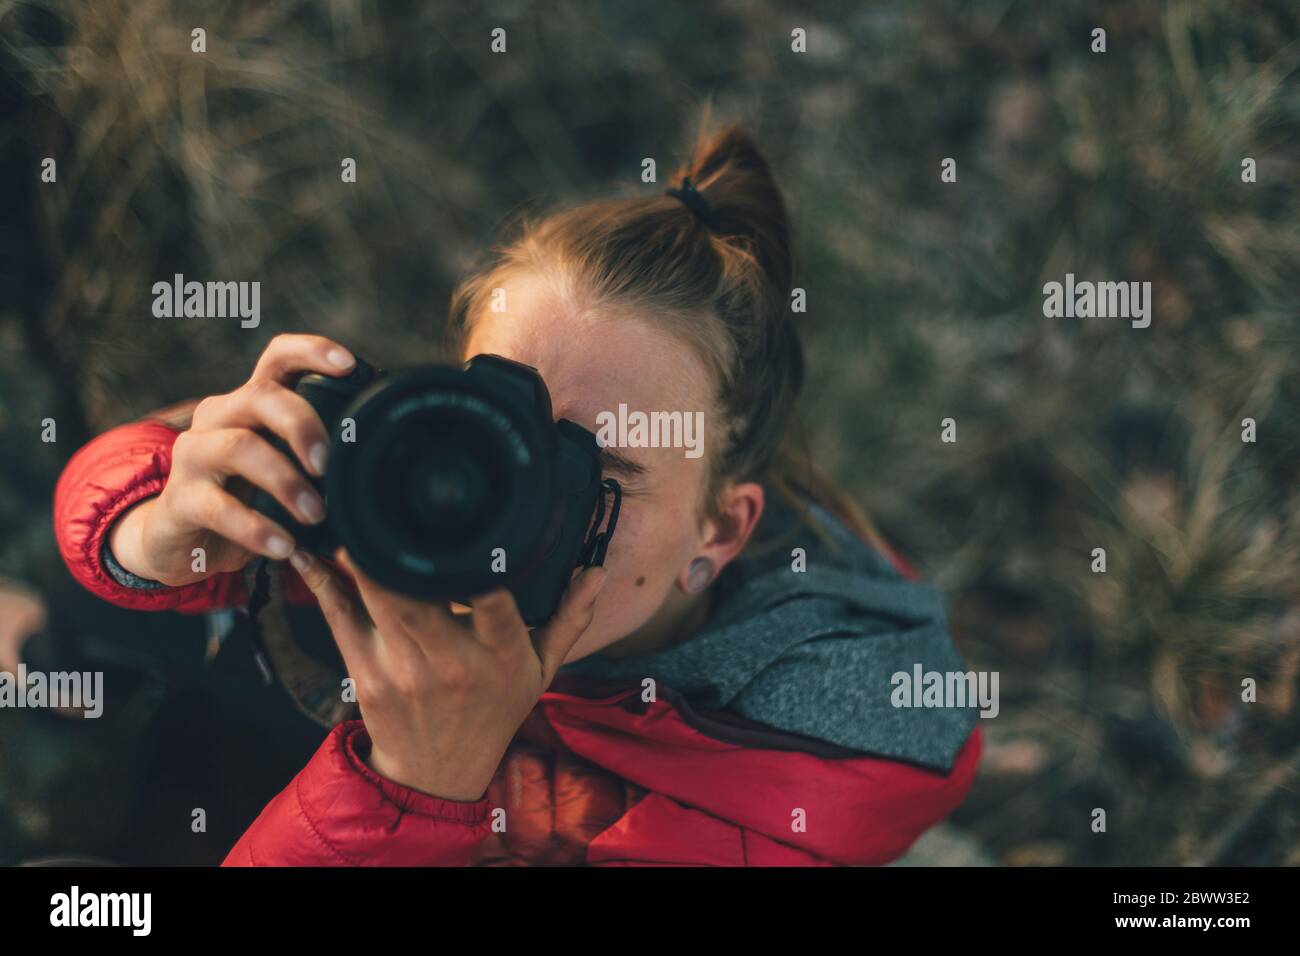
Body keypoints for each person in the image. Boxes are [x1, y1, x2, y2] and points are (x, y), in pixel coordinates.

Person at [53, 121, 981, 866]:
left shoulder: (787, 781)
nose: (503, 501)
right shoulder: (407, 475)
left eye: (601, 478)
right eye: (500, 426)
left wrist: (418, 782)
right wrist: (156, 527)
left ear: (720, 534)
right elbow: (120, 486)